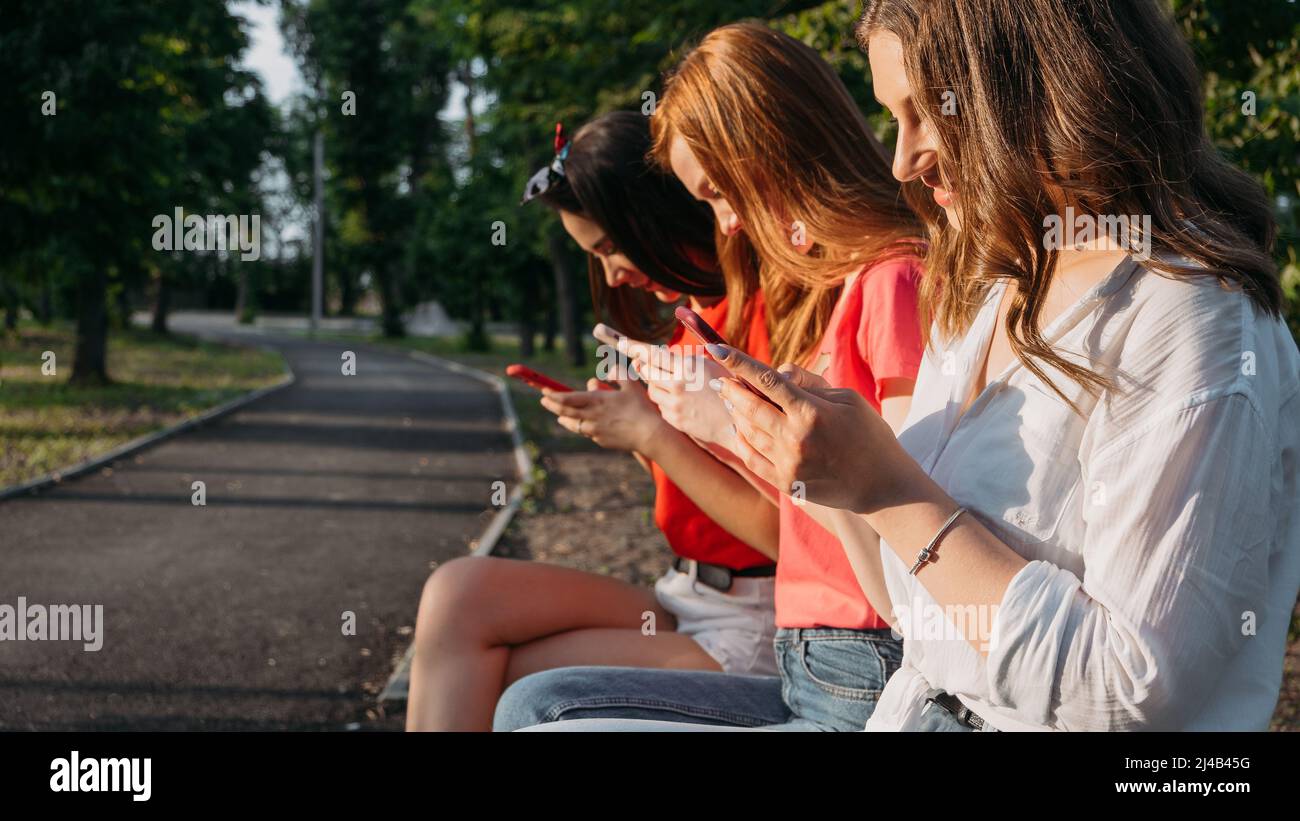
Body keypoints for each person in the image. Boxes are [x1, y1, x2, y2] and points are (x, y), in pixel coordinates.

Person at [513, 0, 1300, 732]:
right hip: (904, 705)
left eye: (926, 111)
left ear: (1040, 88)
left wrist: (888, 489)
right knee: (541, 708)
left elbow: (1130, 687)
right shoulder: (994, 290)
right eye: (894, 117)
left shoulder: (1191, 322)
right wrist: (820, 467)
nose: (902, 159)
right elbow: (909, 608)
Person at [494, 23, 930, 732]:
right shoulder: (842, 289)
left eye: (722, 193)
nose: (726, 225)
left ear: (775, 153)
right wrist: (699, 427)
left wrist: (712, 430)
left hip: (858, 661)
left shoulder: (893, 281)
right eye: (709, 203)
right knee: (531, 702)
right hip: (809, 654)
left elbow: (905, 532)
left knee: (537, 709)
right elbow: (816, 504)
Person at [404, 111, 779, 732]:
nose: (614, 275)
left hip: (757, 623)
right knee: (457, 595)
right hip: (687, 597)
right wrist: (630, 429)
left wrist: (651, 433)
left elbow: (790, 536)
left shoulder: (766, 318)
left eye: (609, 248)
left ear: (653, 215)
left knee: (500, 682)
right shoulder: (693, 323)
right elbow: (700, 492)